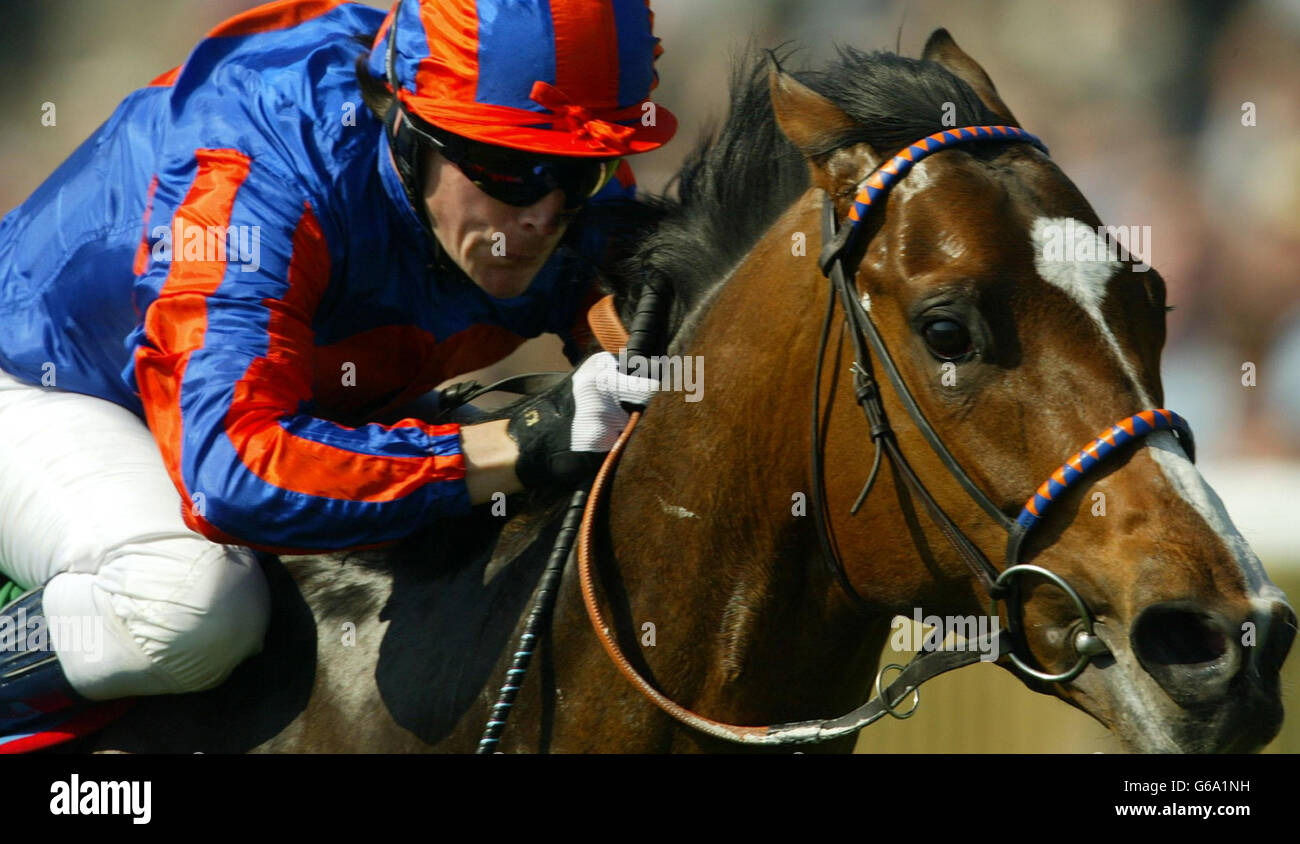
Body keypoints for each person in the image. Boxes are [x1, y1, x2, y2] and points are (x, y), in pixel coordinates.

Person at [0, 0, 674, 750]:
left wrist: (634, 350)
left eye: (579, 173)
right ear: (404, 117)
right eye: (509, 169)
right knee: (189, 603)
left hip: (252, 401)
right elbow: (236, 471)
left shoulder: (538, 172)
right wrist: (515, 444)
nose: (542, 217)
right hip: (45, 384)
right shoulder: (252, 177)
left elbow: (641, 317)